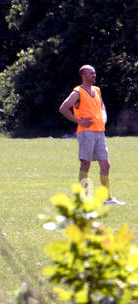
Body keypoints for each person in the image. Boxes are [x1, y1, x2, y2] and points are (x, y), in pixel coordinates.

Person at [58, 65, 122, 204]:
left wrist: (104, 118)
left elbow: (102, 106)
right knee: (86, 164)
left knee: (106, 164)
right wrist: (79, 120)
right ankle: (84, 198)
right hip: (86, 133)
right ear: (83, 75)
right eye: (90, 73)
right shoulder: (78, 92)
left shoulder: (97, 90)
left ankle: (107, 198)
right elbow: (63, 108)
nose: (94, 75)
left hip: (100, 132)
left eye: (94, 73)